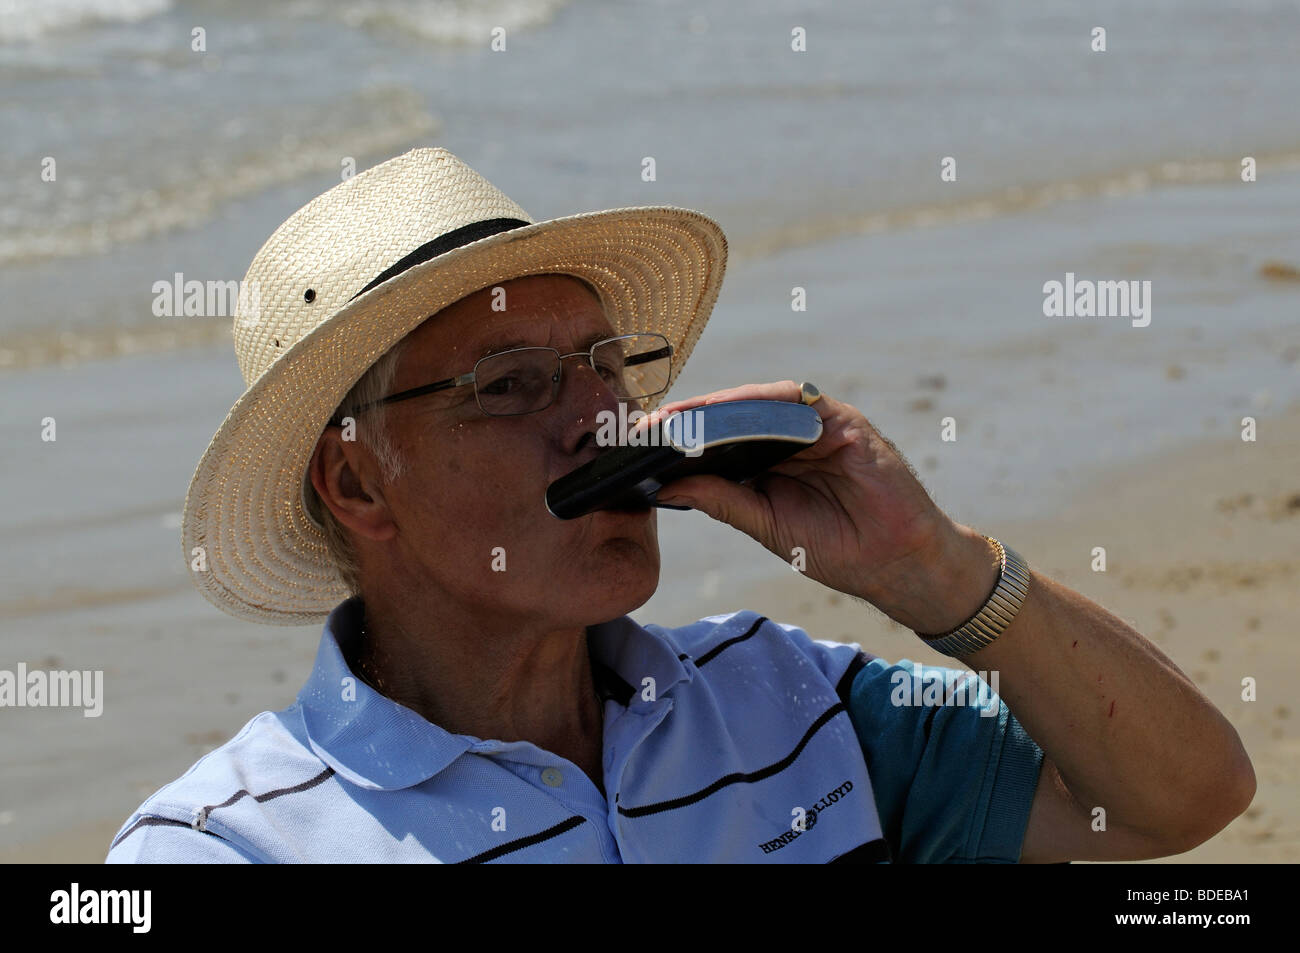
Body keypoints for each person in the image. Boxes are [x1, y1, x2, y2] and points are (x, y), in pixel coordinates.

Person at [106, 148, 1253, 863]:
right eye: (510, 385)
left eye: (609, 363)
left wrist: (930, 569)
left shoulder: (794, 697)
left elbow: (1182, 796)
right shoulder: (230, 844)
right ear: (358, 481)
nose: (603, 418)